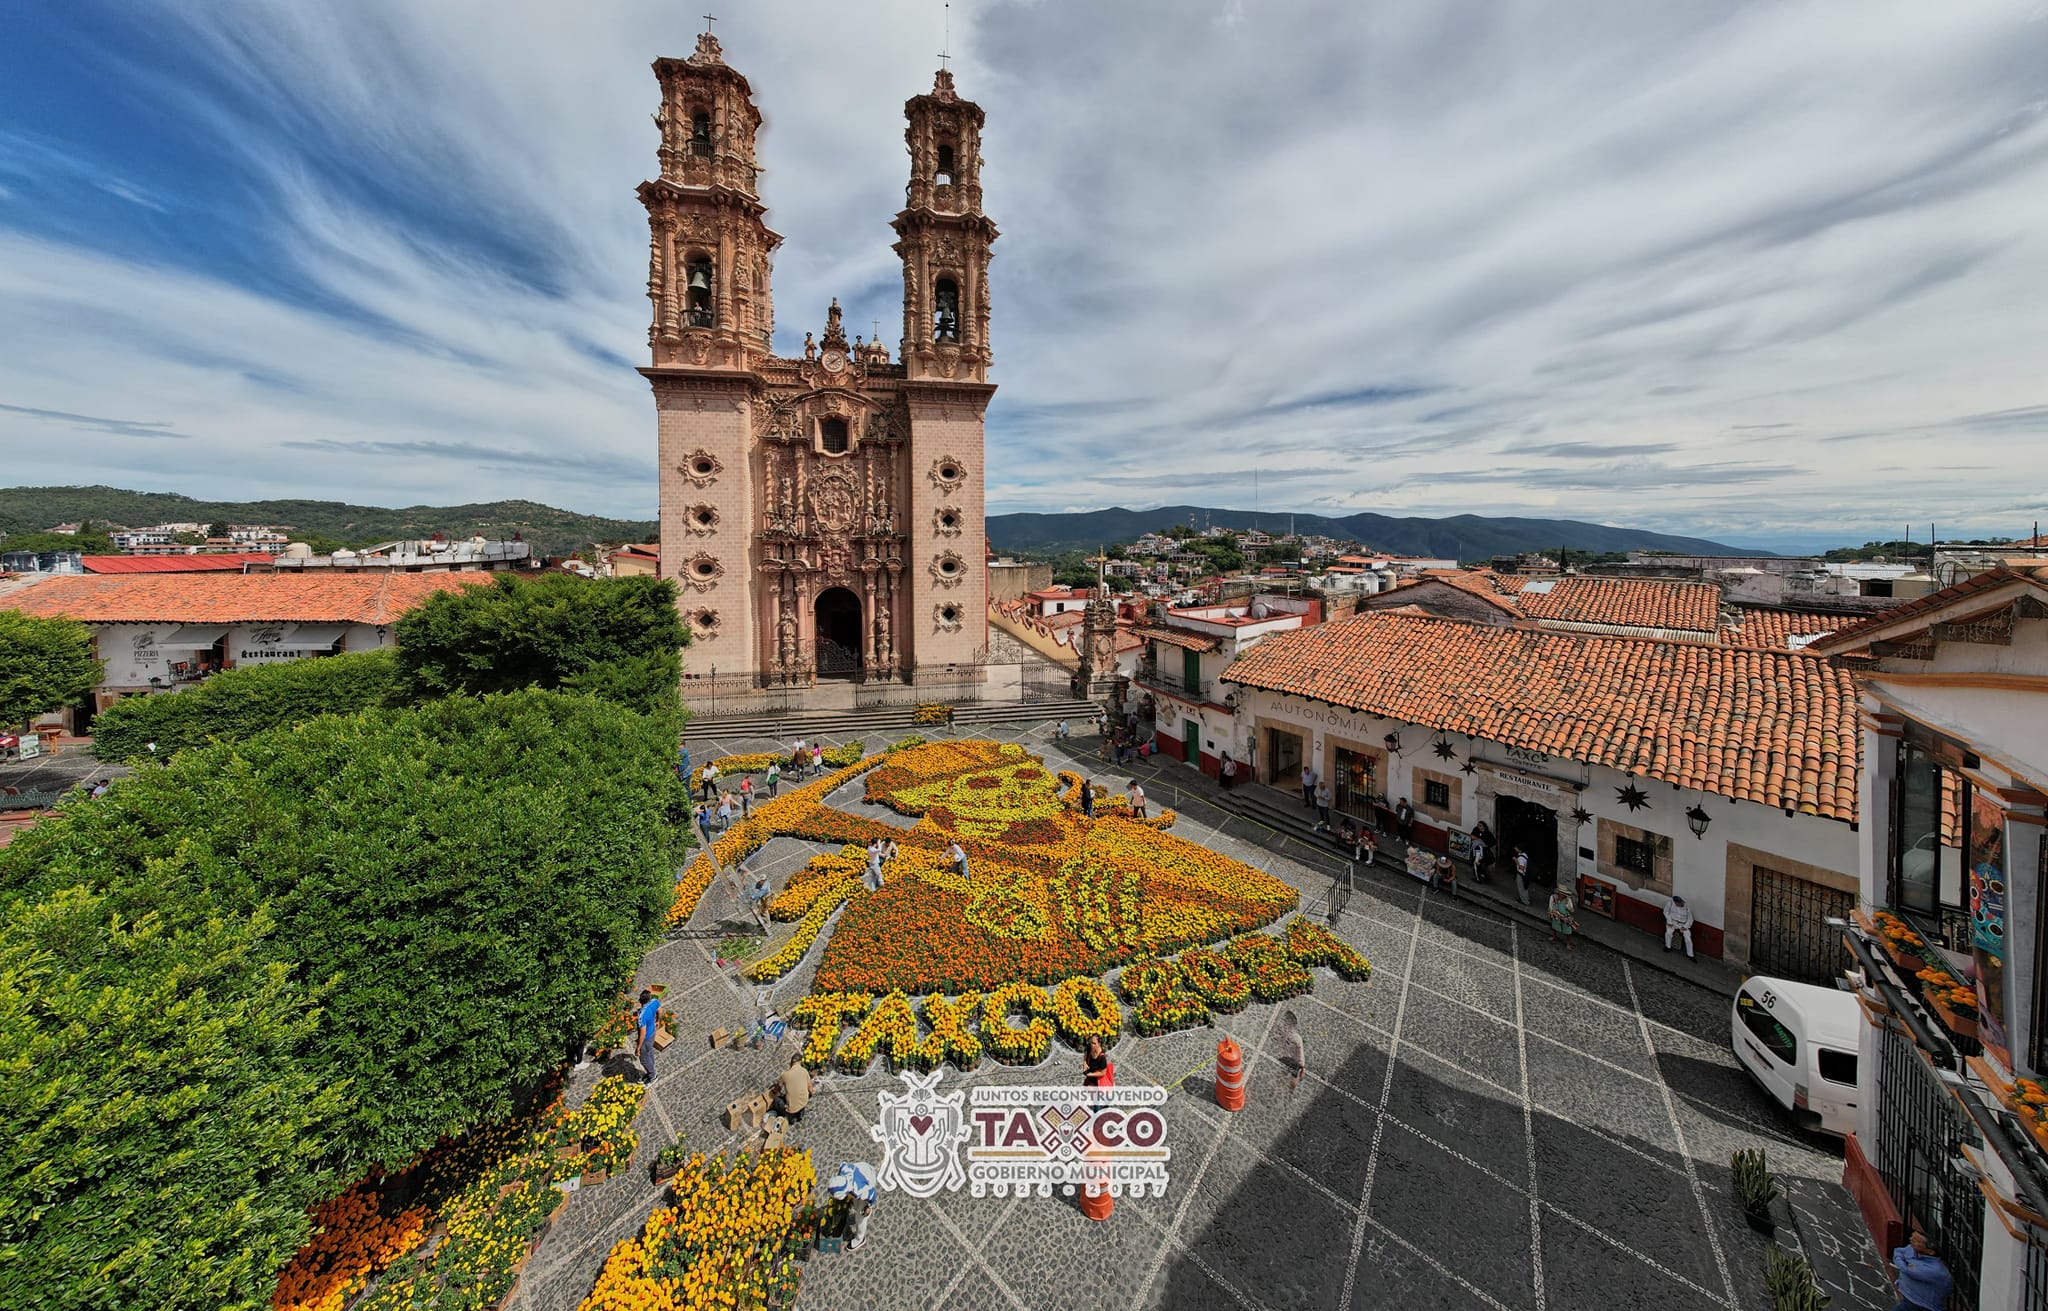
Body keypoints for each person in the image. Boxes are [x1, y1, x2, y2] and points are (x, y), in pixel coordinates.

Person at [1890, 1231, 1954, 1311]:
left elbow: (1907, 1269)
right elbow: (1898, 1251)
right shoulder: (1913, 1249)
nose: (1911, 1240)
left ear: (1930, 1252)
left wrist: (1904, 1260)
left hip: (1922, 1305)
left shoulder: (1934, 1270)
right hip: (1911, 1297)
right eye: (1912, 1237)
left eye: (1917, 1241)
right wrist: (1905, 1261)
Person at [770, 1056, 813, 1124]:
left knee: (776, 1100)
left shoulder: (785, 1075)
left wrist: (773, 1091)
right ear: (800, 1062)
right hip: (804, 1102)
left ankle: (789, 1117)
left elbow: (776, 1089)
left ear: (791, 1063)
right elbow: (811, 1089)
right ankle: (800, 1112)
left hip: (792, 1109)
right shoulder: (805, 1071)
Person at [1275, 1008, 1306, 1093]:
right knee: (1294, 1076)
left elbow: (1277, 1038)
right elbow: (1300, 1054)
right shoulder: (1297, 1038)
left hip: (1284, 1058)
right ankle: (1291, 1090)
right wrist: (1302, 1068)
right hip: (1294, 1061)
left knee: (1283, 1072)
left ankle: (1279, 1087)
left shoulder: (1282, 1032)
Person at [636, 988, 662, 1083]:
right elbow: (660, 1010)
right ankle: (651, 1067)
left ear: (640, 1001)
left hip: (646, 1038)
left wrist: (638, 1047)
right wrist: (657, 1021)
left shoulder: (641, 1016)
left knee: (644, 1059)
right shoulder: (654, 1001)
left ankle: (652, 1076)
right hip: (652, 1032)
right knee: (649, 1051)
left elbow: (642, 1033)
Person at [1663, 895, 1696, 959]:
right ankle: (1668, 947)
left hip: (1682, 924)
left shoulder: (1687, 907)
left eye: (1679, 903)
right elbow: (1666, 912)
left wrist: (1685, 926)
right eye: (1676, 903)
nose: (1678, 904)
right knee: (1668, 933)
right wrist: (1669, 922)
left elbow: (1690, 919)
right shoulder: (1670, 903)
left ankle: (1690, 955)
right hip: (1673, 922)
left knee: (1688, 937)